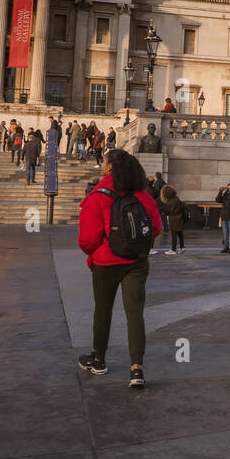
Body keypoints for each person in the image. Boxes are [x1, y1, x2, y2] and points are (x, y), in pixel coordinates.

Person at [77, 149, 161, 388]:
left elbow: (88, 239)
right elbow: (155, 227)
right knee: (135, 313)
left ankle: (99, 359)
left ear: (110, 167)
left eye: (103, 161)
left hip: (106, 262)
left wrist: (97, 250)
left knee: (103, 311)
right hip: (136, 262)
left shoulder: (97, 195)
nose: (101, 164)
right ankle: (136, 369)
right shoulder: (142, 195)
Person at [159, 184, 186, 254]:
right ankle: (182, 247)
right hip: (180, 218)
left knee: (174, 235)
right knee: (180, 233)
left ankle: (173, 249)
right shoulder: (177, 199)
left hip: (173, 219)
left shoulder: (168, 203)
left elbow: (166, 212)